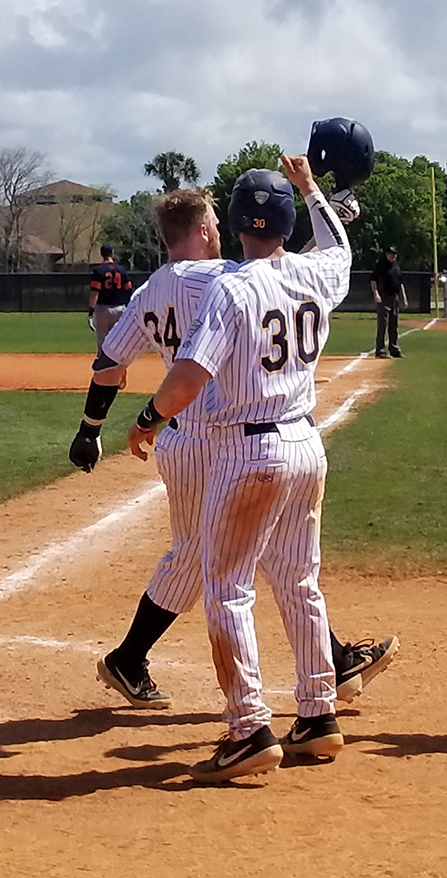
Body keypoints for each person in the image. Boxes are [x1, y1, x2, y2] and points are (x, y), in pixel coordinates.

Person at [71, 186, 398, 711]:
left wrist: (90, 428)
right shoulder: (222, 276)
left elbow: (110, 362)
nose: (222, 230)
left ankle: (133, 659)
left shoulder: (151, 288)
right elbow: (273, 271)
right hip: (218, 437)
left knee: (226, 550)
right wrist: (320, 221)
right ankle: (300, 680)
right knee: (239, 555)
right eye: (215, 223)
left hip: (184, 440)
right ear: (203, 230)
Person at [127, 156, 353, 781]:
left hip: (248, 451)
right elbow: (339, 246)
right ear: (286, 223)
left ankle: (249, 728)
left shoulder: (232, 288)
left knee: (227, 588)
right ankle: (318, 716)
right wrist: (312, 188)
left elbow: (189, 376)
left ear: (231, 226)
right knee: (301, 582)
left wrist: (147, 418)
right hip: (306, 444)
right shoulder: (315, 272)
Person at [88, 243, 135, 342]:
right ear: (112, 254)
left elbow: (95, 293)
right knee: (118, 343)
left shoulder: (99, 271)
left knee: (102, 343)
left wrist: (91, 312)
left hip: (103, 310)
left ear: (101, 254)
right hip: (119, 309)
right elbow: (129, 291)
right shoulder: (121, 270)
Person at [370, 246, 405, 358]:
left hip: (394, 297)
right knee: (383, 324)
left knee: (394, 324)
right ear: (386, 254)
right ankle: (380, 350)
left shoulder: (396, 266)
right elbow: (373, 280)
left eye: (394, 254)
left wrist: (404, 297)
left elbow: (400, 283)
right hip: (383, 297)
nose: (393, 256)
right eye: (391, 254)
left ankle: (394, 349)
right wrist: (376, 294)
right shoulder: (380, 265)